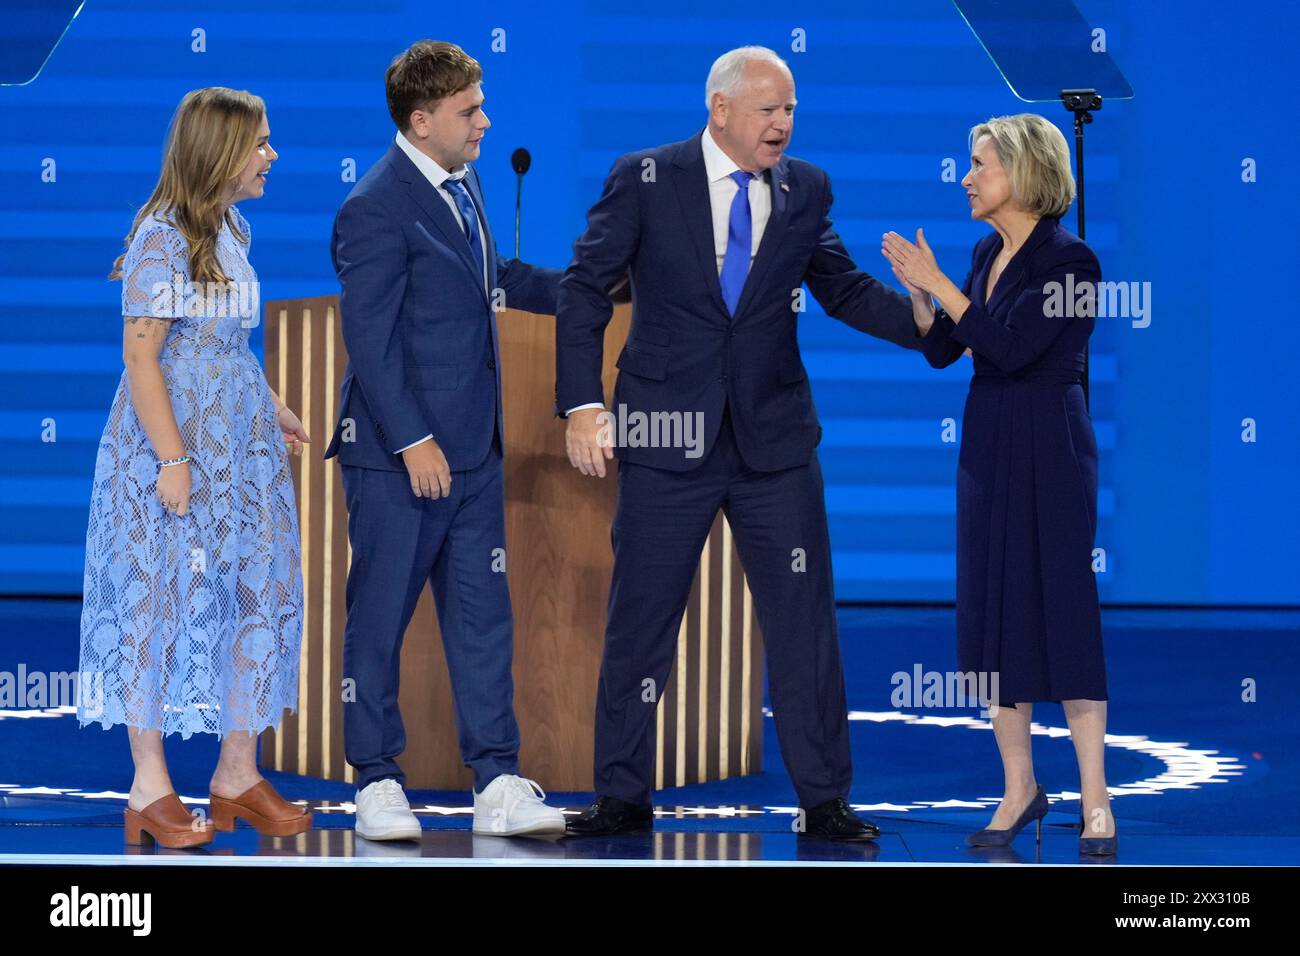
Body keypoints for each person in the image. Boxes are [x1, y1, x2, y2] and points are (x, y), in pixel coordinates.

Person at [558, 46, 924, 839]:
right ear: (720, 109)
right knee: (641, 621)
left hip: (775, 446)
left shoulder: (806, 188)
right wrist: (583, 405)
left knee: (804, 624)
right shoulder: (646, 177)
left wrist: (928, 325)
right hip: (666, 437)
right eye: (768, 109)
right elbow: (585, 287)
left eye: (790, 110)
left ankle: (824, 799)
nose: (783, 125)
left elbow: (844, 287)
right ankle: (622, 792)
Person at [324, 40, 565, 840]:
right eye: (470, 111)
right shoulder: (375, 205)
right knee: (381, 618)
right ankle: (377, 781)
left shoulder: (466, 185)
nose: (486, 121)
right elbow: (370, 338)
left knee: (481, 619)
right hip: (402, 460)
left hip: (475, 455)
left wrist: (595, 287)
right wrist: (413, 441)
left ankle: (496, 780)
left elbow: (497, 279)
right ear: (421, 120)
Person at [78, 87, 313, 848]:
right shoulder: (160, 238)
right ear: (221, 151)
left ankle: (236, 774)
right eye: (262, 144)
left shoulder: (233, 228)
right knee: (158, 602)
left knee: (256, 586)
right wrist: (173, 459)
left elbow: (223, 341)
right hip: (172, 448)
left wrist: (270, 404)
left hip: (240, 450)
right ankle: (150, 789)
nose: (272, 157)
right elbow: (142, 356)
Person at [881, 113, 1117, 856]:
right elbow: (949, 351)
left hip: (1050, 445)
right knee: (992, 616)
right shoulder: (987, 249)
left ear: (1023, 172)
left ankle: (1096, 797)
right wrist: (922, 298)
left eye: (980, 163)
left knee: (1064, 611)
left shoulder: (1075, 264)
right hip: (989, 446)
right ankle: (1019, 789)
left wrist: (943, 286)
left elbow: (1015, 349)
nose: (967, 175)